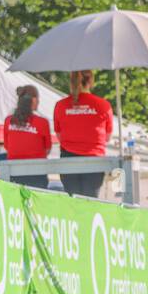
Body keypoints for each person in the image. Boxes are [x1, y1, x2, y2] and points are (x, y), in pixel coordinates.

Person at [52, 70, 114, 199]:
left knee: (72, 202)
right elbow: (107, 137)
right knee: (90, 202)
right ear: (91, 81)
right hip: (94, 161)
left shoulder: (60, 105)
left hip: (68, 160)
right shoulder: (103, 105)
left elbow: (59, 136)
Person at [2, 84, 53, 189]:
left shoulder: (8, 121)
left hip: (14, 173)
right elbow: (47, 149)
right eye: (38, 98)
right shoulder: (42, 122)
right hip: (37, 173)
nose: (39, 101)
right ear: (33, 100)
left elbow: (7, 146)